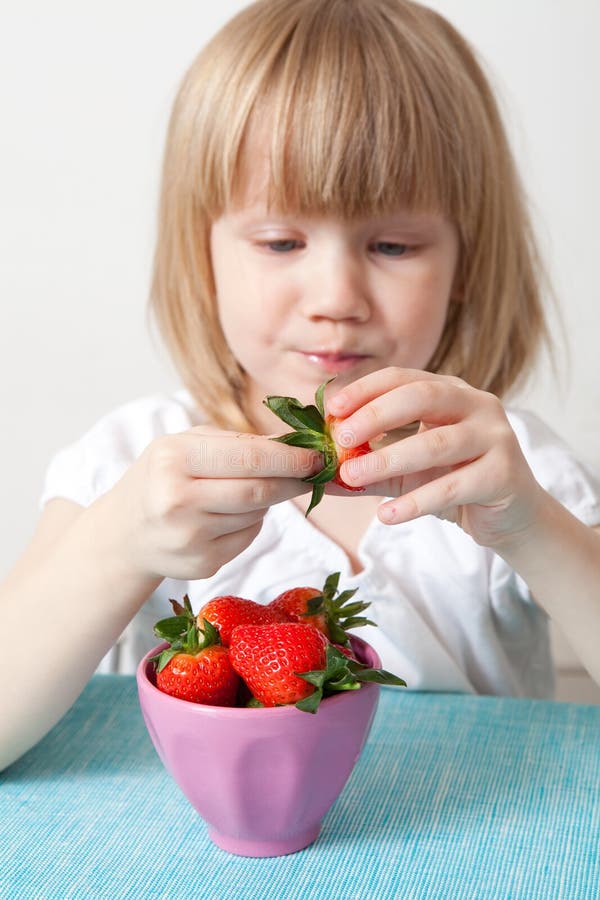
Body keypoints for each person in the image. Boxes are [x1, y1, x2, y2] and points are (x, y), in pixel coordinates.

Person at [1, 0, 599, 771]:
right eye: (281, 240)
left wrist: (533, 530)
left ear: (466, 264)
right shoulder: (128, 461)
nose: (335, 296)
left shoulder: (507, 471)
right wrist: (119, 545)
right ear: (203, 253)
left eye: (392, 243)